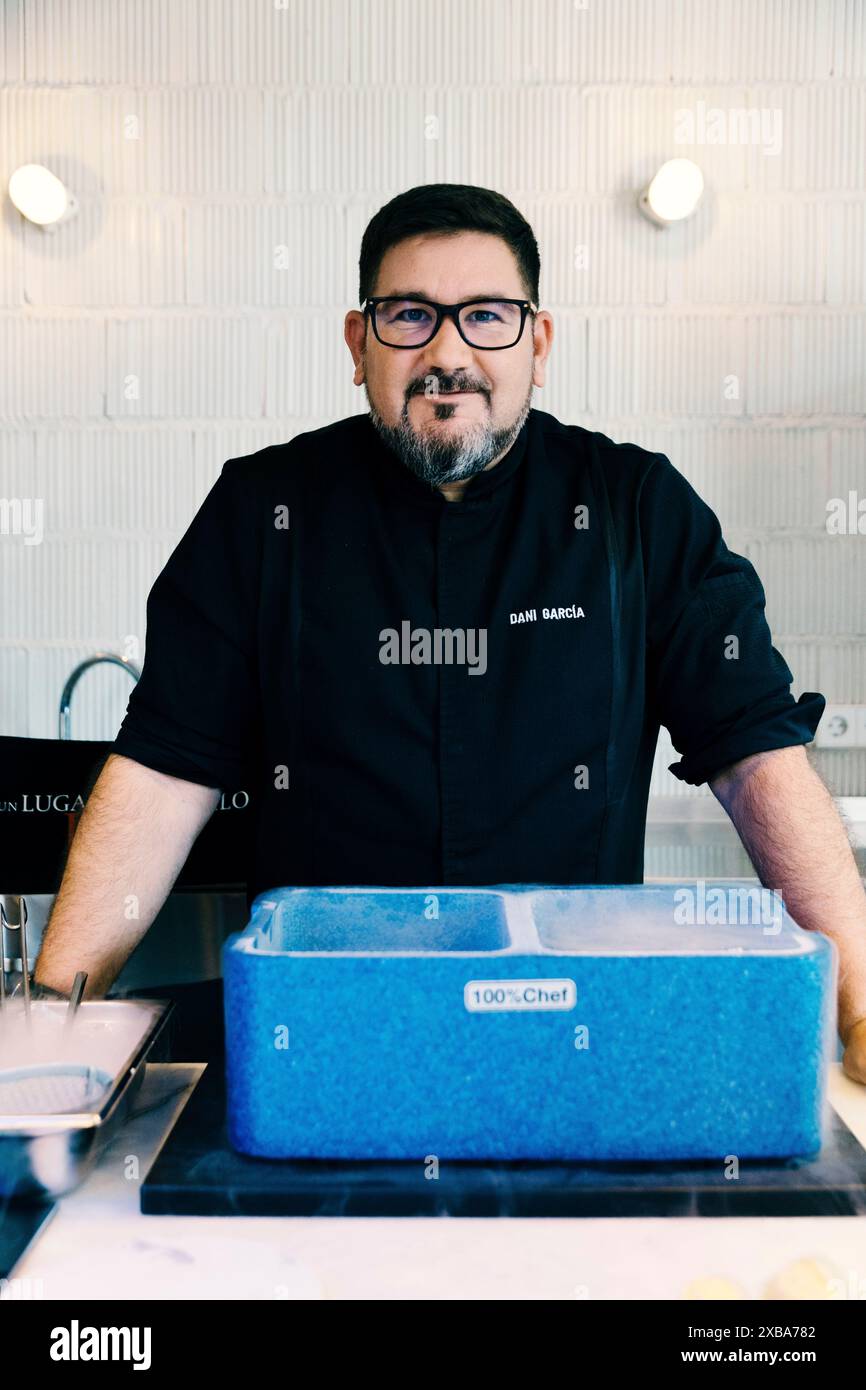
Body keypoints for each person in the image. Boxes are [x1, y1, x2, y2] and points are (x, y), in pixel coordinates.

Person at [33, 183, 866, 1082]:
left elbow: (757, 759)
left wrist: (859, 1010)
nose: (447, 352)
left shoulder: (638, 510)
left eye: (486, 317)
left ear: (537, 344)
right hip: (319, 1036)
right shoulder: (260, 510)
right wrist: (50, 1019)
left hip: (572, 1038)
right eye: (409, 315)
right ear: (359, 345)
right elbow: (162, 775)